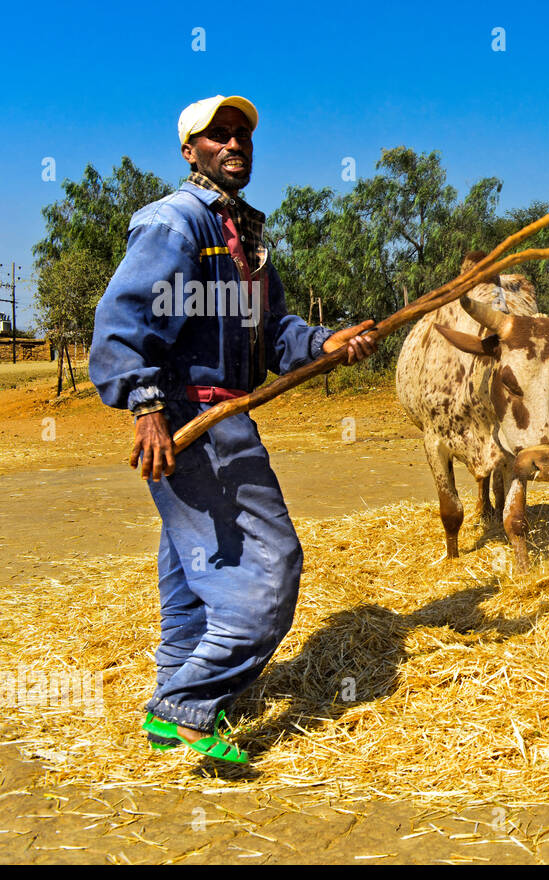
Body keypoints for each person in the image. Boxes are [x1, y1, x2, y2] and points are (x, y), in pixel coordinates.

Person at [89, 94, 378, 763]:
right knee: (273, 565)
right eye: (216, 136)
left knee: (200, 561)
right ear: (189, 151)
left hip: (219, 413)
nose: (234, 144)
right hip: (198, 421)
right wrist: (146, 404)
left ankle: (174, 692)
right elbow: (120, 326)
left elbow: (273, 334)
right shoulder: (176, 223)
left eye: (242, 134)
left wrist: (328, 343)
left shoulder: (244, 236)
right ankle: (188, 706)